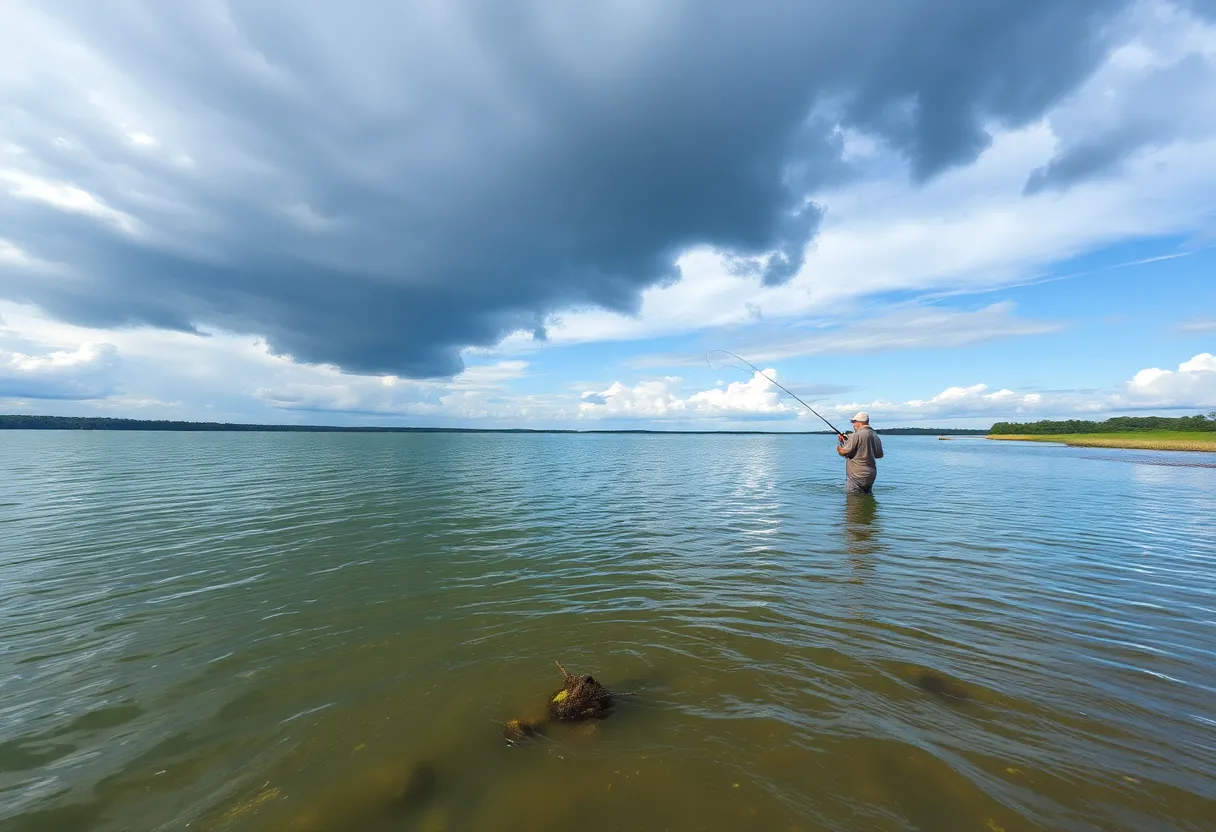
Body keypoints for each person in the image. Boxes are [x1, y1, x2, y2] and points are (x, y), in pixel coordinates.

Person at [836, 411, 883, 495]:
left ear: (858, 422)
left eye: (854, 422)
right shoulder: (875, 436)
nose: (853, 425)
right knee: (866, 496)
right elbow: (879, 455)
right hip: (871, 475)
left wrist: (839, 446)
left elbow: (843, 452)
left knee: (853, 501)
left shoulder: (855, 435)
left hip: (856, 475)